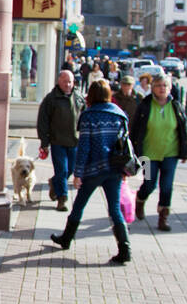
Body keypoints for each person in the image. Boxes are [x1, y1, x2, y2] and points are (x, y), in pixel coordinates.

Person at [49, 78, 131, 265]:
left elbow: (84, 147)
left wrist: (78, 173)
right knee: (114, 209)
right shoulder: (119, 115)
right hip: (115, 169)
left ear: (91, 95)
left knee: (79, 205)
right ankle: (125, 249)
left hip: (93, 170)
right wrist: (125, 171)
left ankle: (66, 238)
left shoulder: (89, 116)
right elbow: (125, 145)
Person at [130, 72, 187, 230]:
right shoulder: (145, 106)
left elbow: (183, 130)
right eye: (158, 85)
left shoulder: (176, 106)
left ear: (170, 88)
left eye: (165, 85)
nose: (162, 88)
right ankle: (140, 200)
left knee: (166, 186)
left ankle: (163, 217)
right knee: (149, 184)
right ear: (152, 88)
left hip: (170, 153)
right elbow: (135, 130)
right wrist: (135, 151)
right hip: (148, 155)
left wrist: (185, 152)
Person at [37, 69, 83, 212]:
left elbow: (84, 117)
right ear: (59, 81)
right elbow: (43, 121)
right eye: (65, 82)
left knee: (70, 169)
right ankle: (62, 199)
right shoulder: (51, 99)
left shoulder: (79, 97)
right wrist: (44, 142)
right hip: (57, 141)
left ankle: (54, 182)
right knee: (62, 170)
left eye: (70, 82)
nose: (68, 84)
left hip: (74, 141)